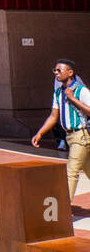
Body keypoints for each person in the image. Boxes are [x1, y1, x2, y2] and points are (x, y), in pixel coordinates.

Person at [32, 59, 90, 201]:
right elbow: (53, 116)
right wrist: (40, 133)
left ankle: (64, 207)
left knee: (71, 171)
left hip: (81, 136)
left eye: (59, 70)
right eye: (55, 70)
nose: (56, 73)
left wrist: (73, 99)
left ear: (70, 73)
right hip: (70, 137)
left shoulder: (81, 90)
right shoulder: (58, 92)